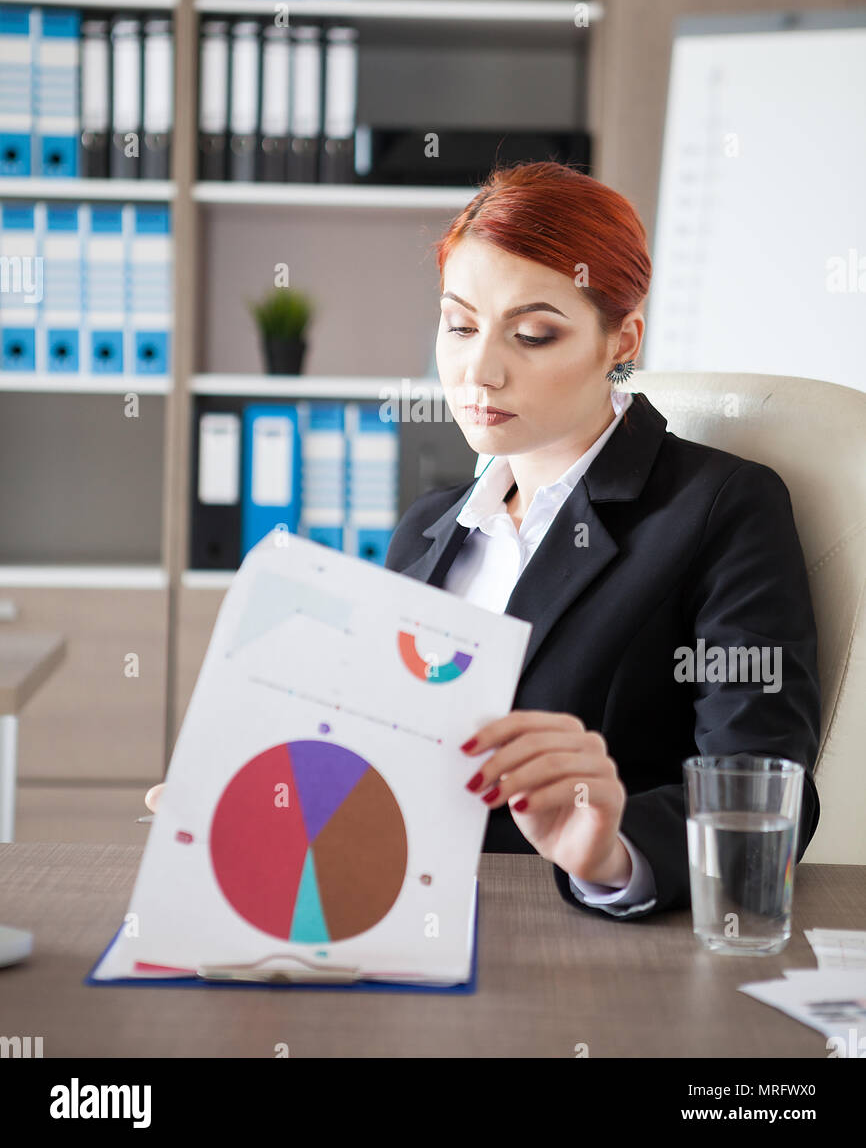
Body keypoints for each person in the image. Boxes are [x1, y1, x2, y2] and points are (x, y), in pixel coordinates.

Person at [147, 159, 821, 920]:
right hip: (391, 924)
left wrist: (613, 853)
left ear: (620, 340)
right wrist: (259, 800)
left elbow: (772, 788)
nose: (480, 370)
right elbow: (386, 768)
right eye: (460, 325)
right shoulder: (428, 529)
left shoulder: (719, 508)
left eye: (533, 334)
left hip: (581, 953)